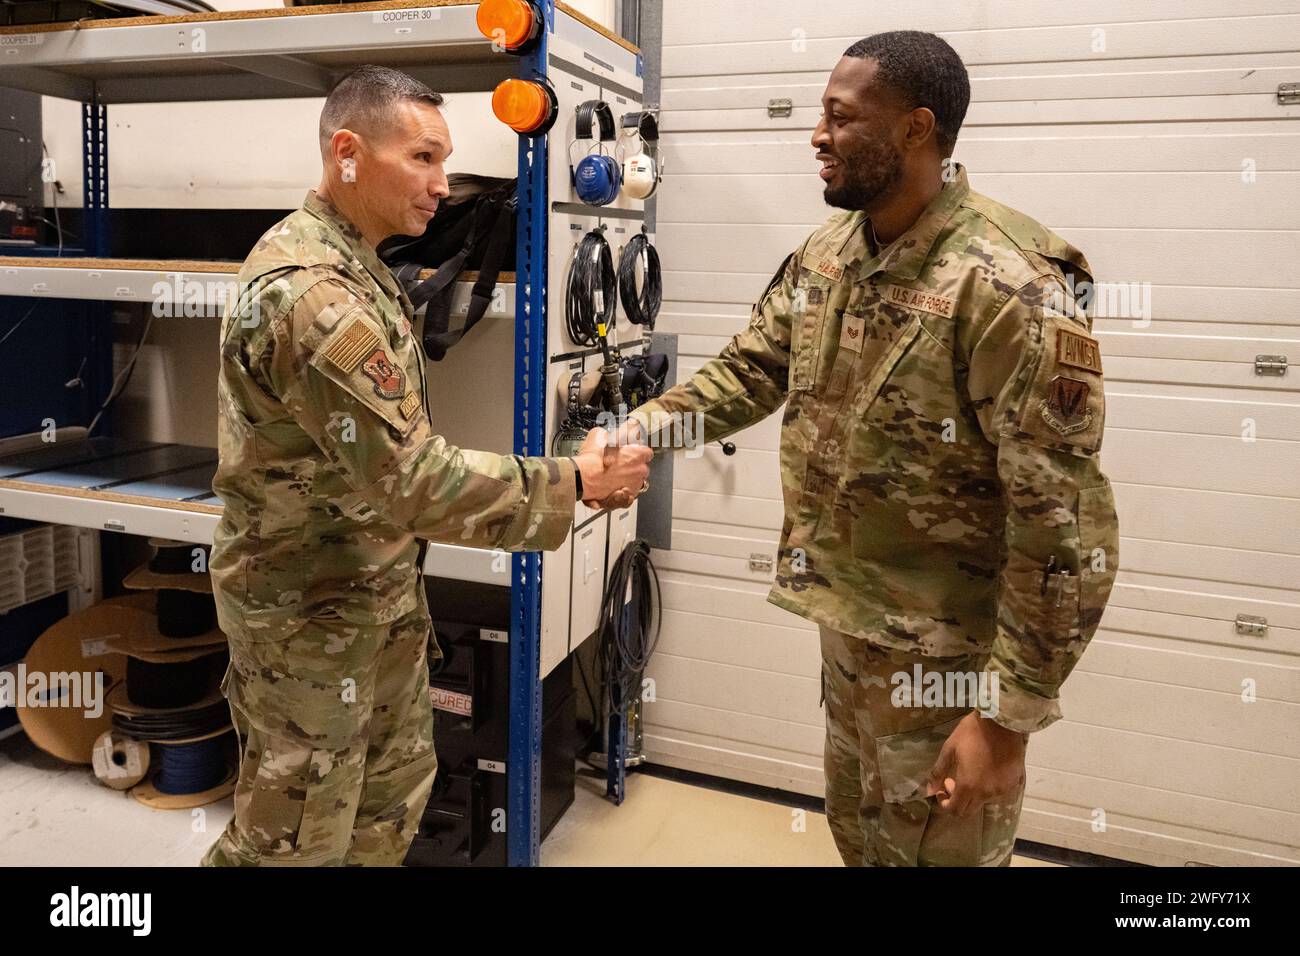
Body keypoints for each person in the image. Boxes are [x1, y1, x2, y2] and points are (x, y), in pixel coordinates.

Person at [621, 32, 1118, 866]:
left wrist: (1007, 715)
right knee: (861, 842)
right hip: (849, 634)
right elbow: (750, 373)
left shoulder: (1010, 282)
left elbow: (1062, 519)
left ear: (916, 130)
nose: (817, 135)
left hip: (949, 664)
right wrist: (636, 435)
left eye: (840, 118)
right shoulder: (831, 255)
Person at [203, 65, 651, 866]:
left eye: (445, 162)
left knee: (389, 803)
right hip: (309, 622)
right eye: (422, 159)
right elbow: (414, 480)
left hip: (371, 604)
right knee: (292, 842)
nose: (445, 185)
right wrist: (576, 482)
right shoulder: (312, 295)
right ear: (347, 152)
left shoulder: (361, 261)